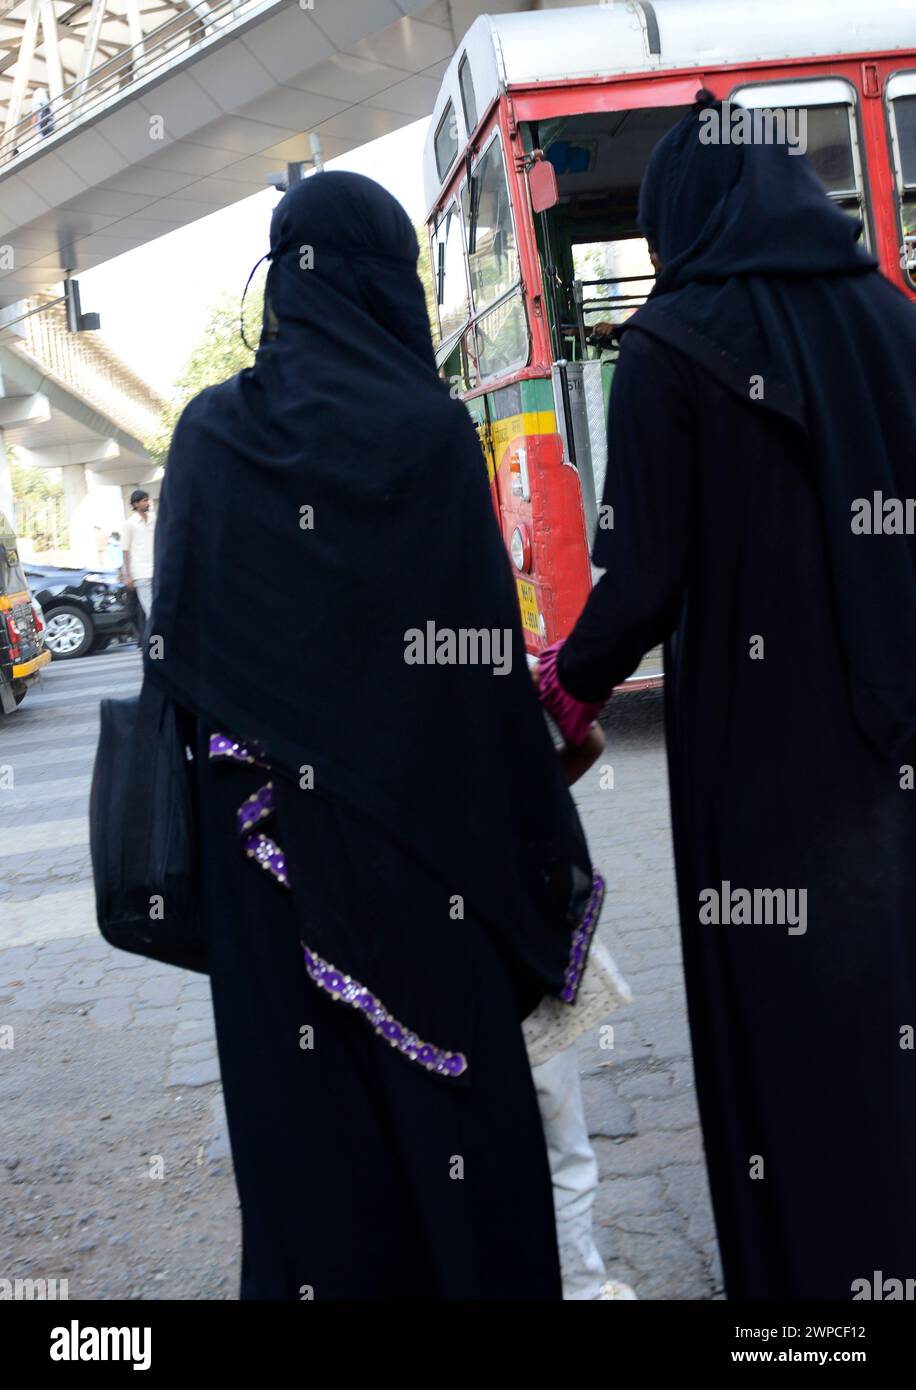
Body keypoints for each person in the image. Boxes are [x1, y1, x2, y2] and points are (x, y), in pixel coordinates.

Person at [144, 171, 605, 1300]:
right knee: (460, 1159)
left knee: (312, 1162)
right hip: (427, 881)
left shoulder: (210, 439)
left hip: (270, 889)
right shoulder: (429, 438)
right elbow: (485, 690)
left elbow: (181, 674)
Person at [540, 91, 916, 1300]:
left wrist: (565, 691)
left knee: (791, 1034)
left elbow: (644, 574)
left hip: (764, 765)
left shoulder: (669, 345)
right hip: (893, 743)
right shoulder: (893, 320)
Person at [122, 489, 155, 623]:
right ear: (135, 504)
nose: (148, 503)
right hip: (141, 574)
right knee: (151, 612)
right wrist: (128, 575)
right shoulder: (129, 524)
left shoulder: (154, 519)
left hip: (157, 571)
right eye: (145, 500)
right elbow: (125, 550)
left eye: (148, 499)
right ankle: (158, 643)